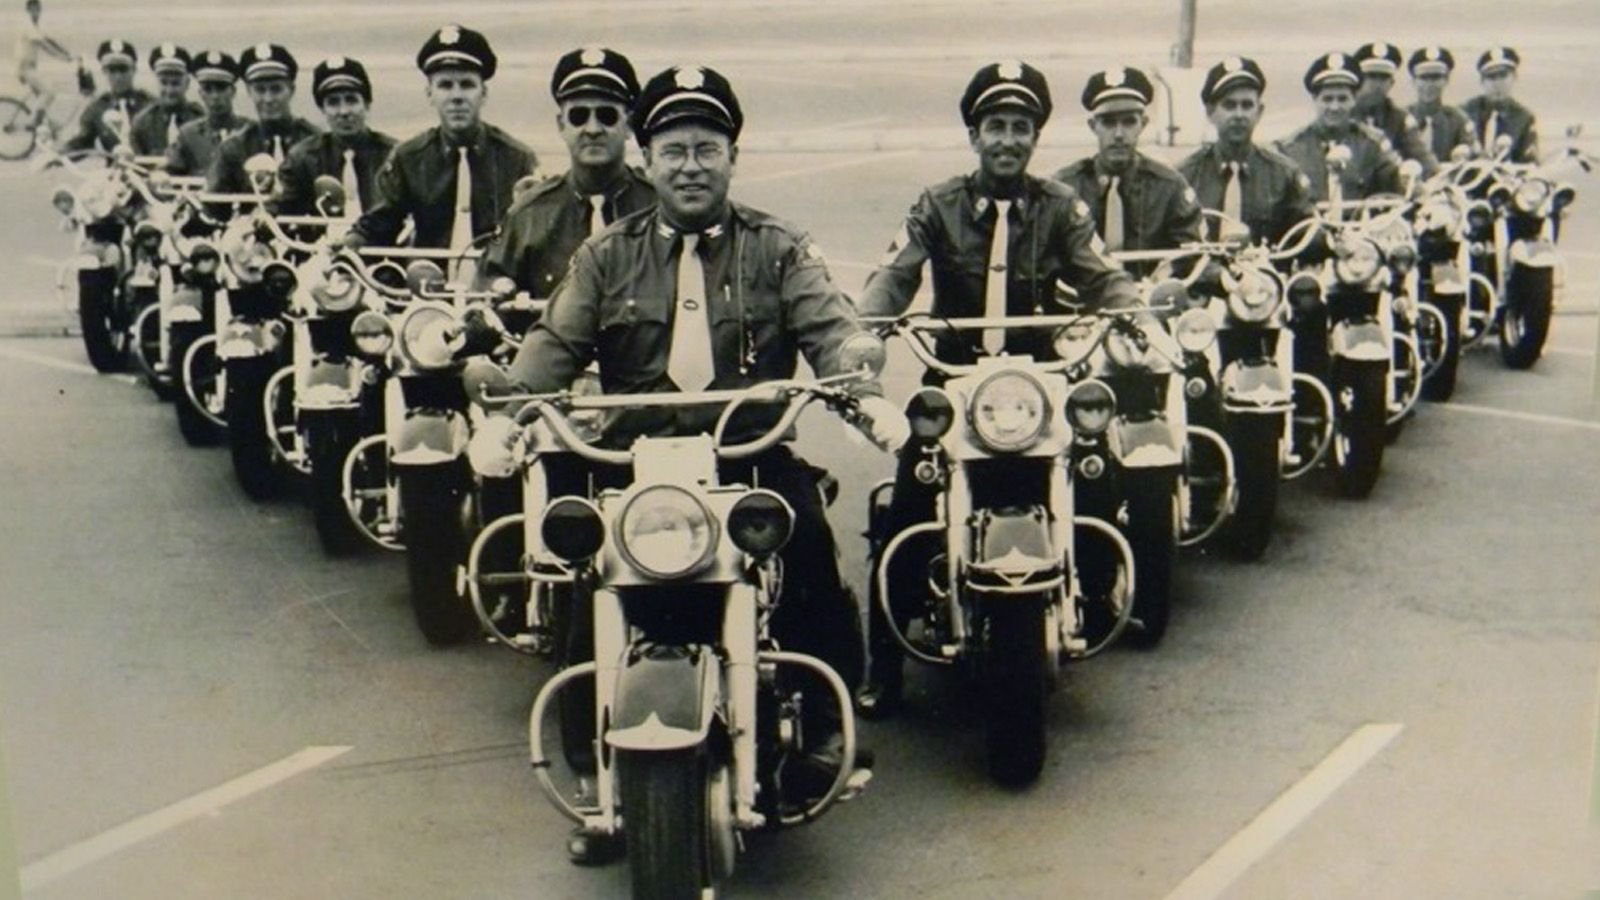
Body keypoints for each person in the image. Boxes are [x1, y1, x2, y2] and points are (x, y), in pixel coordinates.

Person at [506, 63, 904, 862]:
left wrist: (857, 365)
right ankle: (599, 781)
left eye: (707, 147)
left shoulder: (778, 249)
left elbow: (830, 328)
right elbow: (552, 347)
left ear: (731, 156)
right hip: (634, 465)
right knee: (587, 587)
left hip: (747, 456)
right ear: (646, 159)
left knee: (811, 558)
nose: (691, 165)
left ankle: (828, 732)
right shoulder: (605, 256)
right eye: (673, 149)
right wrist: (515, 404)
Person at [853, 60, 1139, 717]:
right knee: (907, 508)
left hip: (1039, 381)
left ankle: (1096, 595)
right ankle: (885, 668)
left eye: (1020, 127)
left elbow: (1103, 274)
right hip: (955, 382)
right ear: (974, 135)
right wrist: (869, 331)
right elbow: (894, 276)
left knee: (1099, 473)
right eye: (995, 126)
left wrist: (1135, 314)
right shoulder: (936, 205)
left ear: (1035, 137)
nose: (1007, 139)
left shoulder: (1061, 207)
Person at [346, 23, 537, 265]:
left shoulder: (517, 158)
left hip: (497, 289)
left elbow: (535, 233)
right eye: (445, 85)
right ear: (430, 94)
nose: (457, 96)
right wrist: (347, 247)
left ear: (484, 93)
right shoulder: (409, 157)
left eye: (467, 85)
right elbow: (378, 225)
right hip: (425, 289)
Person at [480, 46, 653, 296]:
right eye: (579, 116)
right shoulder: (530, 214)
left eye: (606, 115)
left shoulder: (657, 206)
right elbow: (490, 279)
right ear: (561, 125)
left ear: (629, 126)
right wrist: (500, 287)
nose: (592, 129)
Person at [1052, 66, 1203, 262]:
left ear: (1143, 124)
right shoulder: (1066, 188)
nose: (1119, 135)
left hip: (1153, 289)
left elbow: (1192, 256)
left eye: (1129, 122)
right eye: (1108, 123)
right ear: (1093, 126)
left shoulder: (1169, 187)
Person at [1176, 56, 1316, 246]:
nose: (1239, 115)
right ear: (1210, 112)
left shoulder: (1284, 174)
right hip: (1203, 272)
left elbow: (1306, 234)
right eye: (1229, 105)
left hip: (1265, 271)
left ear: (1259, 112)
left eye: (1247, 105)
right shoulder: (1185, 176)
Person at [274, 56, 396, 217]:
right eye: (333, 103)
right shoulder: (302, 159)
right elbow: (279, 210)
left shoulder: (393, 155)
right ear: (322, 109)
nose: (343, 111)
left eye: (351, 100)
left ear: (367, 104)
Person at [1275, 52, 1403, 202]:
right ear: (1315, 99)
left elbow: (1400, 185)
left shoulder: (1372, 144)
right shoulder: (1291, 149)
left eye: (1342, 99)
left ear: (1354, 100)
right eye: (1327, 99)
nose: (1334, 107)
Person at [205, 43, 319, 202]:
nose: (268, 99)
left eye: (276, 89)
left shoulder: (314, 142)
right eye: (260, 90)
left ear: (291, 90)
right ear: (249, 92)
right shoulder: (234, 149)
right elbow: (214, 205)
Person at [1352, 41, 1439, 175]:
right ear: (1358, 80)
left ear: (1391, 83)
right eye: (1371, 77)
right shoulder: (1342, 114)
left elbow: (1425, 161)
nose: (1376, 85)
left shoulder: (1399, 119)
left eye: (1383, 78)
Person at [163, 50, 247, 176]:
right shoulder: (187, 135)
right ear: (201, 93)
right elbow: (171, 174)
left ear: (233, 91)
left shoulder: (249, 131)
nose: (215, 96)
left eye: (221, 88)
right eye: (208, 89)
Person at [64, 39, 151, 152]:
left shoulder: (149, 105)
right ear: (104, 72)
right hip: (114, 168)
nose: (118, 77)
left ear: (134, 70)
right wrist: (56, 154)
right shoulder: (98, 108)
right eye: (112, 70)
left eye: (123, 69)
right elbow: (81, 142)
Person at [1462, 47, 1538, 163]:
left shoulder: (1524, 118)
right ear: (1482, 81)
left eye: (1503, 76)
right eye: (1491, 77)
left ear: (1514, 77)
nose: (1497, 84)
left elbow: (1529, 161)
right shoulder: (1465, 112)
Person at [1406, 46, 1481, 163]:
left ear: (1446, 80)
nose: (1429, 85)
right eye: (1423, 78)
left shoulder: (1458, 120)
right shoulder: (1402, 119)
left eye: (1436, 78)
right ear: (1413, 81)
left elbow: (1474, 156)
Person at [127, 43, 201, 157]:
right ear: (156, 82)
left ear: (187, 83)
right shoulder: (142, 122)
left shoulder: (199, 118)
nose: (169, 90)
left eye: (175, 83)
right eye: (164, 83)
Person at [14, 0, 73, 133]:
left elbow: (49, 40)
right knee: (49, 92)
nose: (36, 12)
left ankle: (49, 125)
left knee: (41, 99)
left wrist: (67, 52)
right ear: (28, 10)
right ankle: (31, 121)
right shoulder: (27, 26)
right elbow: (43, 45)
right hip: (25, 68)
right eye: (33, 9)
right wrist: (62, 58)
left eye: (38, 9)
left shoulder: (36, 26)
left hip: (31, 67)